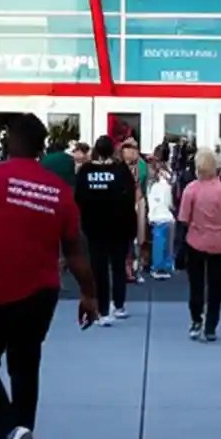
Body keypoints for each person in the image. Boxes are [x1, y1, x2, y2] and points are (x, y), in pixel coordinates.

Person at [0, 113, 99, 439]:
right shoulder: (59, 191)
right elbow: (75, 250)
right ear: (41, 147)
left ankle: (7, 431)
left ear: (10, 141)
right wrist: (89, 294)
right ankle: (23, 430)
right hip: (42, 293)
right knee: (25, 367)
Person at [179, 147, 221, 342]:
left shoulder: (191, 189)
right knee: (215, 286)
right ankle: (211, 326)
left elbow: (183, 218)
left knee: (196, 284)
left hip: (195, 241)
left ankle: (196, 320)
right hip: (218, 242)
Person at [76, 136, 137, 326]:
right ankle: (118, 305)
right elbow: (130, 198)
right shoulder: (120, 170)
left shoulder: (85, 171)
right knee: (118, 266)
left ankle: (102, 310)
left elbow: (78, 198)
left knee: (98, 268)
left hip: (94, 227)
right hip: (118, 226)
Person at [120, 138, 148, 282]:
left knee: (138, 238)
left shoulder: (142, 166)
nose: (132, 151)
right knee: (126, 239)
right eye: (128, 148)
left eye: (134, 148)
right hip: (123, 204)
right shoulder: (118, 166)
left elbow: (143, 186)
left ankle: (135, 268)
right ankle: (127, 268)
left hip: (138, 203)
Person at [147, 147, 176, 281]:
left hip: (163, 213)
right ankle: (160, 266)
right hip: (161, 214)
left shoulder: (161, 178)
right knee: (162, 242)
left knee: (163, 241)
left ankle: (162, 265)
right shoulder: (158, 179)